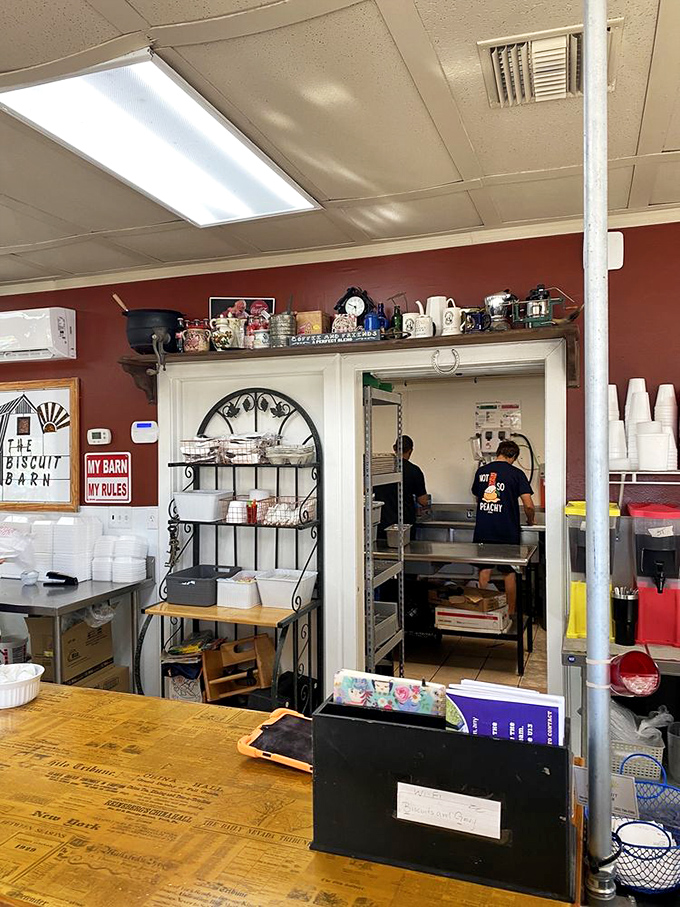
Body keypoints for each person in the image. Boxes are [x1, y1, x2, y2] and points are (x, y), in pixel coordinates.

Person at [471, 439, 535, 615]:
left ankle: (483, 612)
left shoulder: (481, 471)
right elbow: (529, 505)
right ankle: (511, 613)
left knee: (485, 569)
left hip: (484, 528)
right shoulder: (516, 474)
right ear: (513, 456)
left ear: (498, 452)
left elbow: (477, 495)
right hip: (507, 530)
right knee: (509, 572)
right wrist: (531, 520)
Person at [378, 435, 429, 539]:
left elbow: (365, 491)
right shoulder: (414, 471)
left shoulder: (381, 469)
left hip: (382, 523)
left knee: (381, 548)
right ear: (410, 450)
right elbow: (423, 501)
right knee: (405, 548)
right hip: (405, 525)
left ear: (394, 448)